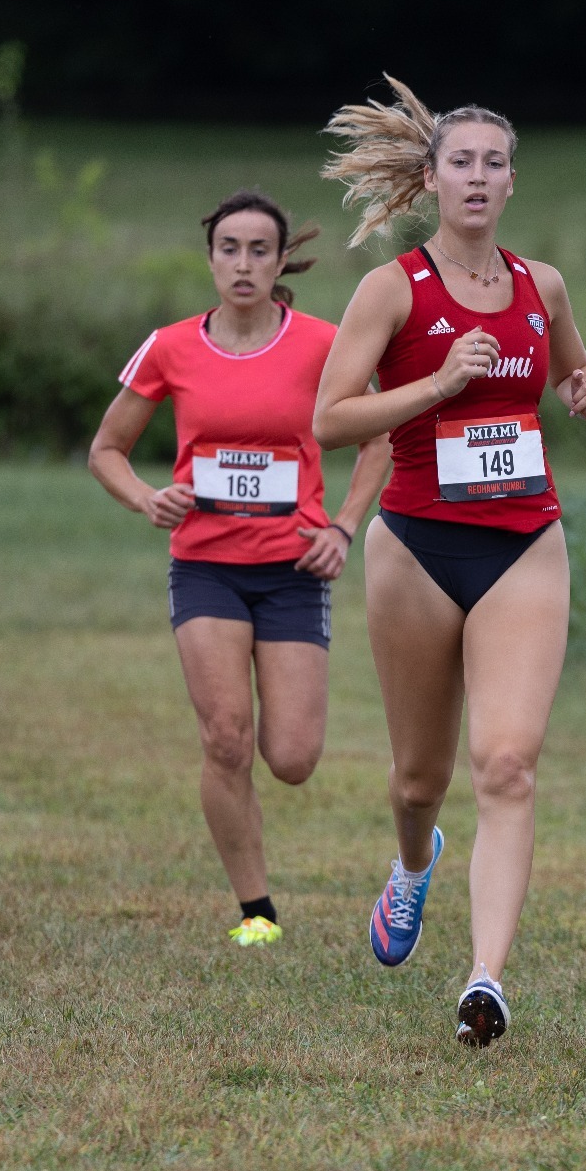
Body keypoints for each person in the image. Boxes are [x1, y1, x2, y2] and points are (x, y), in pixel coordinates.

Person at [313, 78, 586, 1047]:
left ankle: (484, 980)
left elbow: (569, 367)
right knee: (419, 779)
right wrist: (439, 382)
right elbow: (329, 417)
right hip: (415, 543)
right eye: (461, 162)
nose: (477, 177)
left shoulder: (543, 286)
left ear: (511, 181)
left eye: (493, 163)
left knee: (508, 761)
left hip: (525, 540)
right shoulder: (392, 289)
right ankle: (412, 867)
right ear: (432, 178)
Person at [89, 189, 391, 948]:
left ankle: (264, 888)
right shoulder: (170, 347)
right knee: (225, 737)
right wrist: (146, 499)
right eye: (230, 248)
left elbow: (382, 439)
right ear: (211, 259)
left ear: (283, 260)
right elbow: (106, 451)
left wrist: (345, 526)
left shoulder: (325, 344)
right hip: (205, 568)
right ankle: (256, 910)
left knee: (291, 757)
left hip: (294, 569)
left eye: (261, 249)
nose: (244, 263)